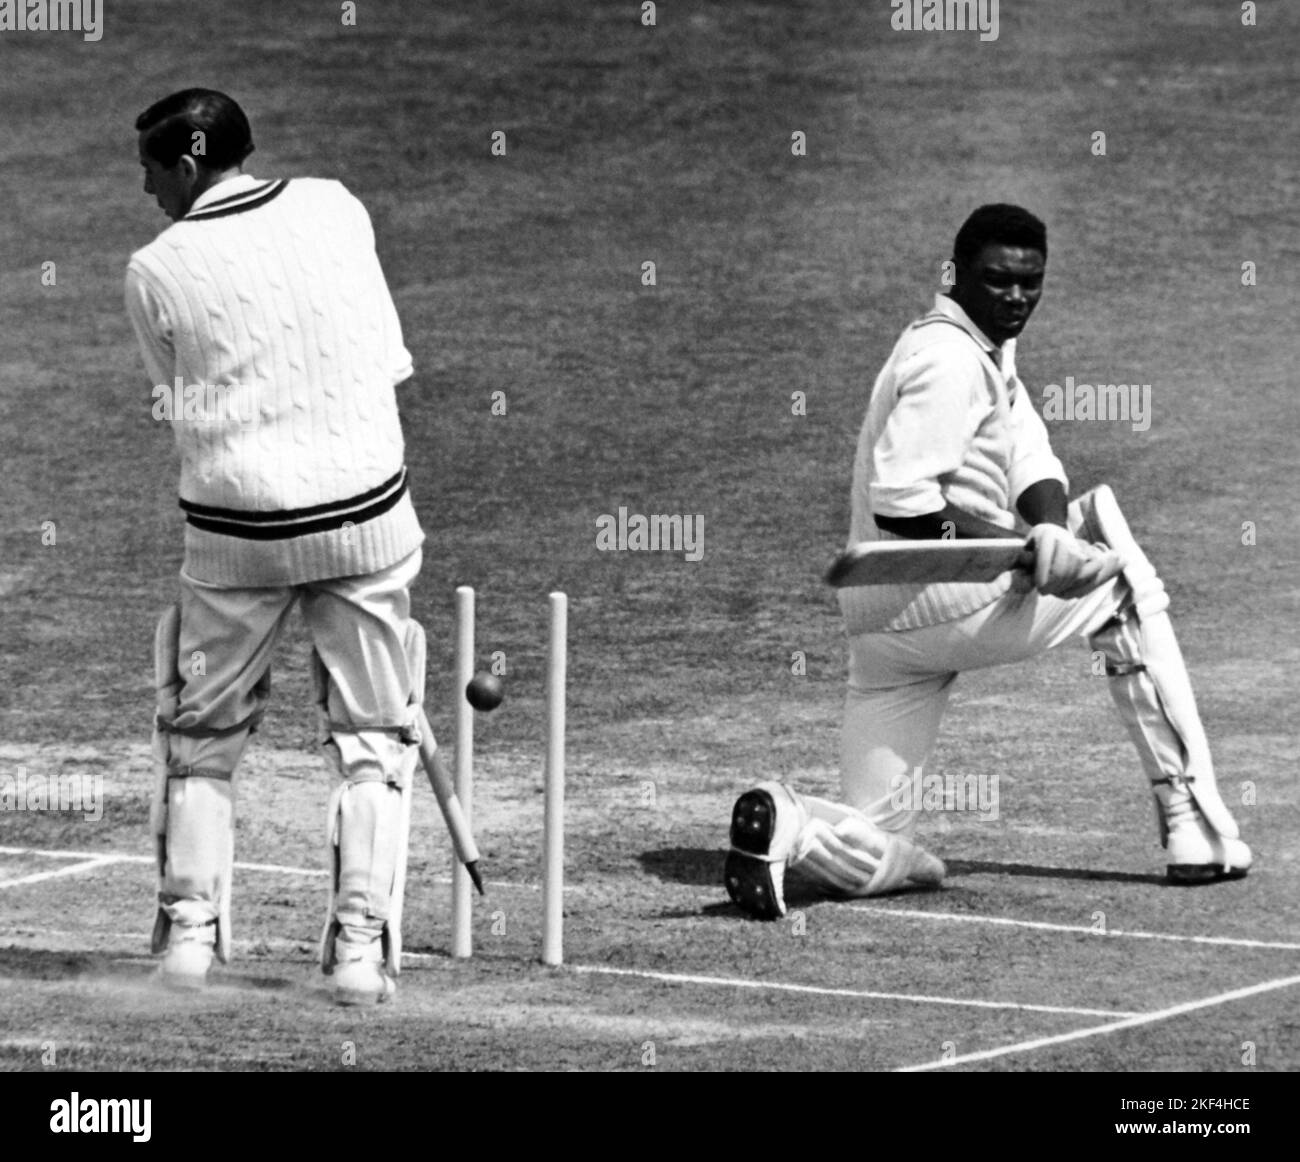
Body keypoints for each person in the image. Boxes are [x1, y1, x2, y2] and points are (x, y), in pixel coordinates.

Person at [725, 204, 1252, 920]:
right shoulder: (947, 362)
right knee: (1126, 586)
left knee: (887, 843)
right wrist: (1022, 552)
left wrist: (1050, 530)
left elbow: (1031, 454)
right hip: (945, 599)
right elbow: (902, 504)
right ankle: (1192, 824)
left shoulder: (982, 346)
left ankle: (792, 824)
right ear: (955, 275)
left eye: (1030, 283)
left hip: (883, 633)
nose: (1016, 298)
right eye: (998, 281)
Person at [126, 89, 426, 1002]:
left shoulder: (156, 265)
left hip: (235, 529)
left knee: (202, 731)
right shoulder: (339, 205)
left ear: (187, 163)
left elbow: (176, 403)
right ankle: (358, 952)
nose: (144, 189)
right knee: (375, 738)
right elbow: (387, 363)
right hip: (365, 512)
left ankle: (188, 938)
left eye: (149, 169)